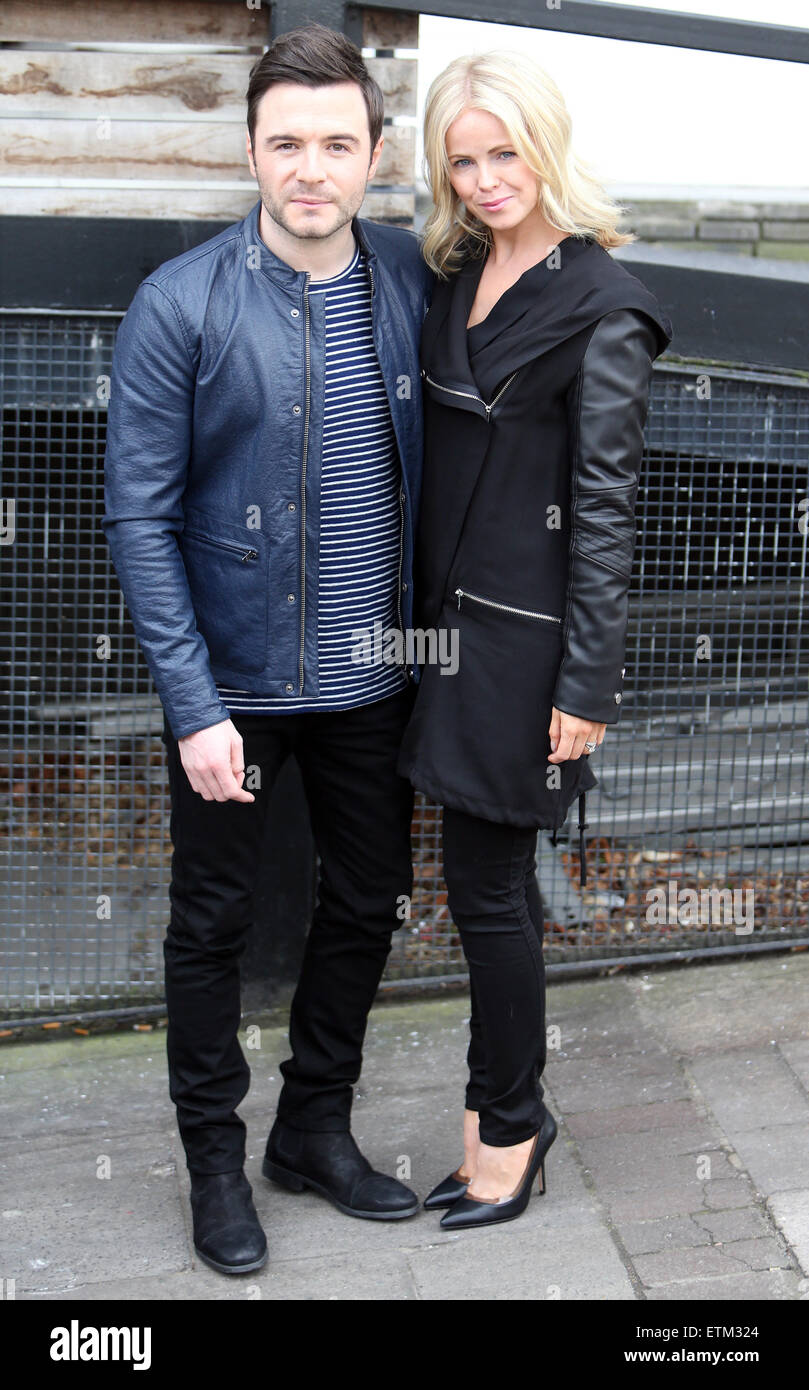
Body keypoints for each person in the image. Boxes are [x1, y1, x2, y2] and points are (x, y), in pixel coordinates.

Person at [103, 23, 433, 1275]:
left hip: (374, 681)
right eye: (286, 142)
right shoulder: (179, 302)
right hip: (231, 688)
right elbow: (138, 517)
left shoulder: (407, 278)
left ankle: (312, 1131)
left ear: (374, 154)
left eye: (336, 143)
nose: (310, 167)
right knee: (212, 928)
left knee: (363, 906)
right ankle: (211, 1166)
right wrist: (192, 707)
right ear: (249, 149)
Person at [397, 51, 673, 1230]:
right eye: (461, 159)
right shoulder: (451, 267)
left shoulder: (602, 303)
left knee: (488, 890)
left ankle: (507, 1126)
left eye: (503, 151)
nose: (483, 177)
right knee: (467, 886)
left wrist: (586, 686)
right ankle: (503, 1111)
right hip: (428, 634)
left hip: (523, 650)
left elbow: (605, 513)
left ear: (543, 144)